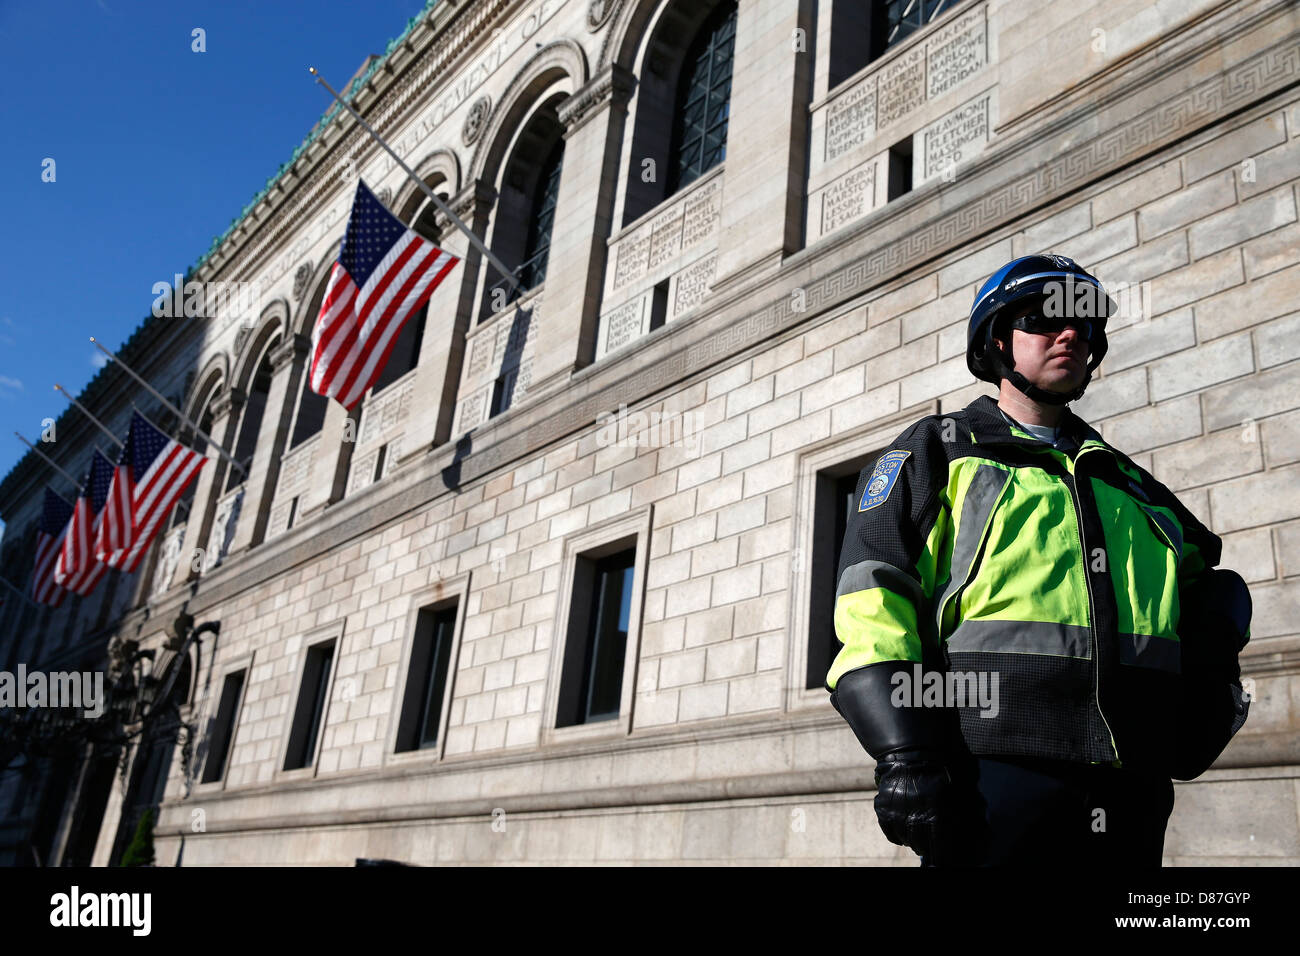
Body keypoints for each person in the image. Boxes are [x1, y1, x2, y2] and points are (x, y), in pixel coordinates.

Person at [826, 254, 1252, 867]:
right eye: (1045, 317)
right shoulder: (935, 455)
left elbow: (1213, 596)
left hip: (1130, 785)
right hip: (990, 775)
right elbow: (872, 593)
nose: (1071, 332)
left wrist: (1214, 690)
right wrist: (903, 752)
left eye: (1085, 324)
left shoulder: (1131, 485)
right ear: (998, 338)